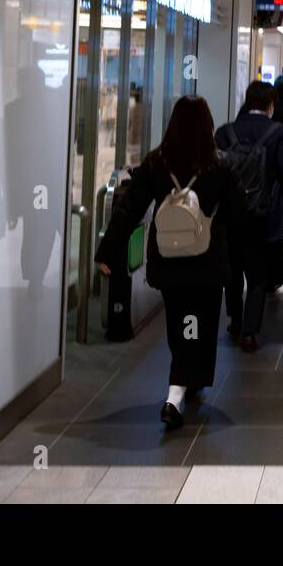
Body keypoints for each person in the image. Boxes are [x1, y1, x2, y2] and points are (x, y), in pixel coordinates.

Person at [95, 96, 244, 430]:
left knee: (182, 324)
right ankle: (175, 395)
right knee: (197, 326)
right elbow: (238, 214)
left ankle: (187, 380)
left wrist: (108, 251)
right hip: (207, 264)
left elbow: (129, 209)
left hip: (169, 263)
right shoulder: (220, 164)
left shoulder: (156, 163)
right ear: (207, 125)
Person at [215, 81, 283, 352]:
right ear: (270, 105)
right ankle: (249, 331)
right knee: (257, 274)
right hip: (263, 214)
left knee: (232, 270)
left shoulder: (225, 131)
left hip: (230, 214)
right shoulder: (278, 131)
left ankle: (234, 319)